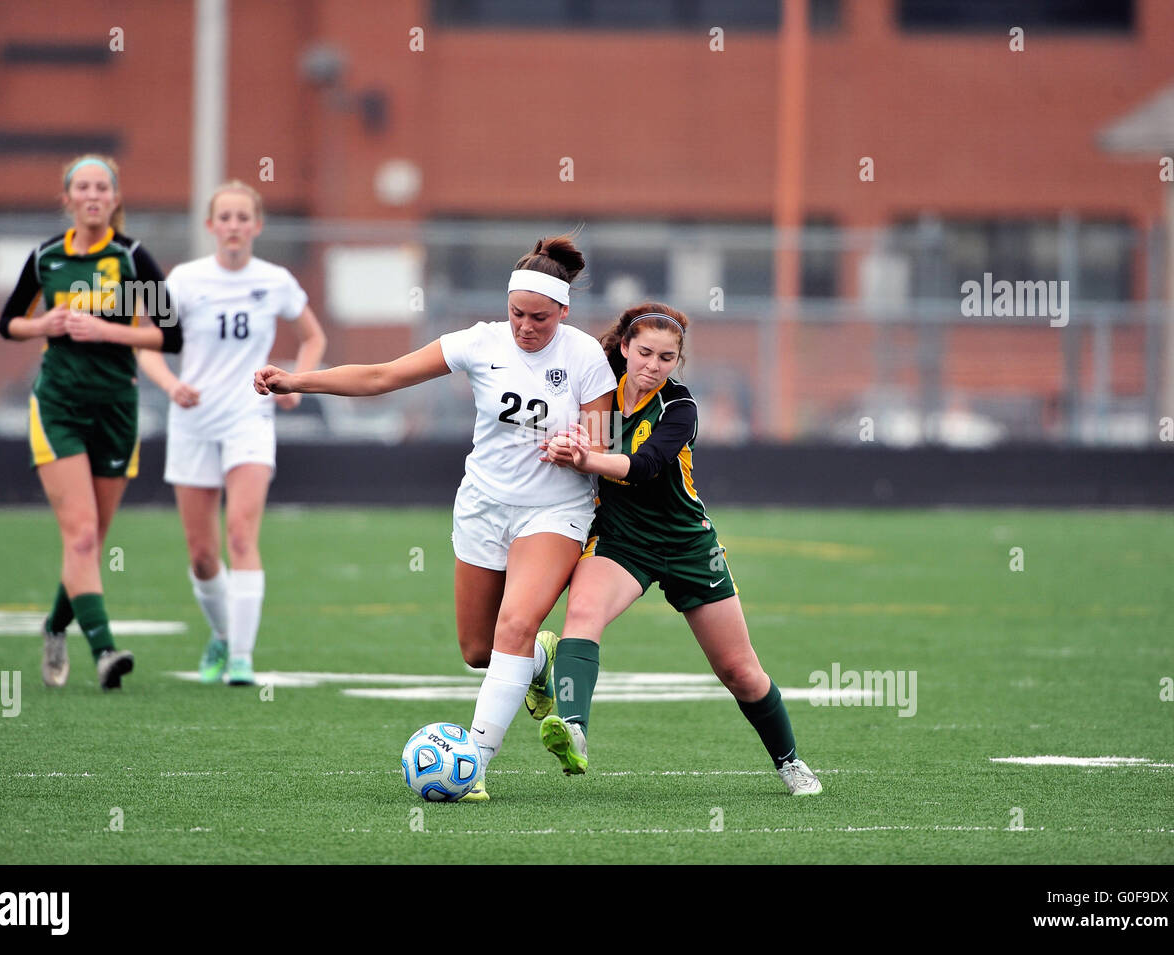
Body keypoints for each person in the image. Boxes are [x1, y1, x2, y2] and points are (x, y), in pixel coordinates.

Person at [254, 234, 616, 800]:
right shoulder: (479, 343)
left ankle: (474, 763)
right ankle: (539, 663)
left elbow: (603, 447)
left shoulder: (585, 357)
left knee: (513, 626)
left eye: (540, 318)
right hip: (483, 506)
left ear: (564, 311)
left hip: (555, 510)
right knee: (478, 650)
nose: (526, 326)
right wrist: (298, 380)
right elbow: (382, 377)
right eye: (517, 313)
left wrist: (582, 451)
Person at [538, 303, 822, 795]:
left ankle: (790, 762)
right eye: (644, 352)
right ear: (624, 348)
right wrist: (567, 451)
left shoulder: (680, 408)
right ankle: (574, 729)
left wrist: (587, 458)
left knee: (740, 672)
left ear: (677, 363)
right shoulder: (599, 393)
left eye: (666, 358)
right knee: (582, 613)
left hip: (689, 545)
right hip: (622, 542)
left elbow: (645, 466)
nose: (652, 365)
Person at [0, 154, 182, 690]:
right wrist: (42, 324)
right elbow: (6, 322)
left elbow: (171, 335)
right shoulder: (47, 258)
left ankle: (55, 625)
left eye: (103, 186)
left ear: (115, 198)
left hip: (116, 409)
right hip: (58, 406)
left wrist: (110, 331)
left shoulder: (130, 258)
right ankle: (105, 652)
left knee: (92, 540)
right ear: (68, 198)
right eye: (84, 186)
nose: (94, 194)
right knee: (79, 537)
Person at [138, 181, 327, 686]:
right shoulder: (184, 279)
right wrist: (171, 384)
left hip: (250, 420)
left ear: (257, 226)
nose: (234, 226)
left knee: (241, 534)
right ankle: (222, 635)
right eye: (225, 217)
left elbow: (313, 336)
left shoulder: (276, 280)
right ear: (210, 226)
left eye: (244, 217)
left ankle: (241, 658)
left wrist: (297, 384)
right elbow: (147, 347)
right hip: (193, 424)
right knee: (202, 555)